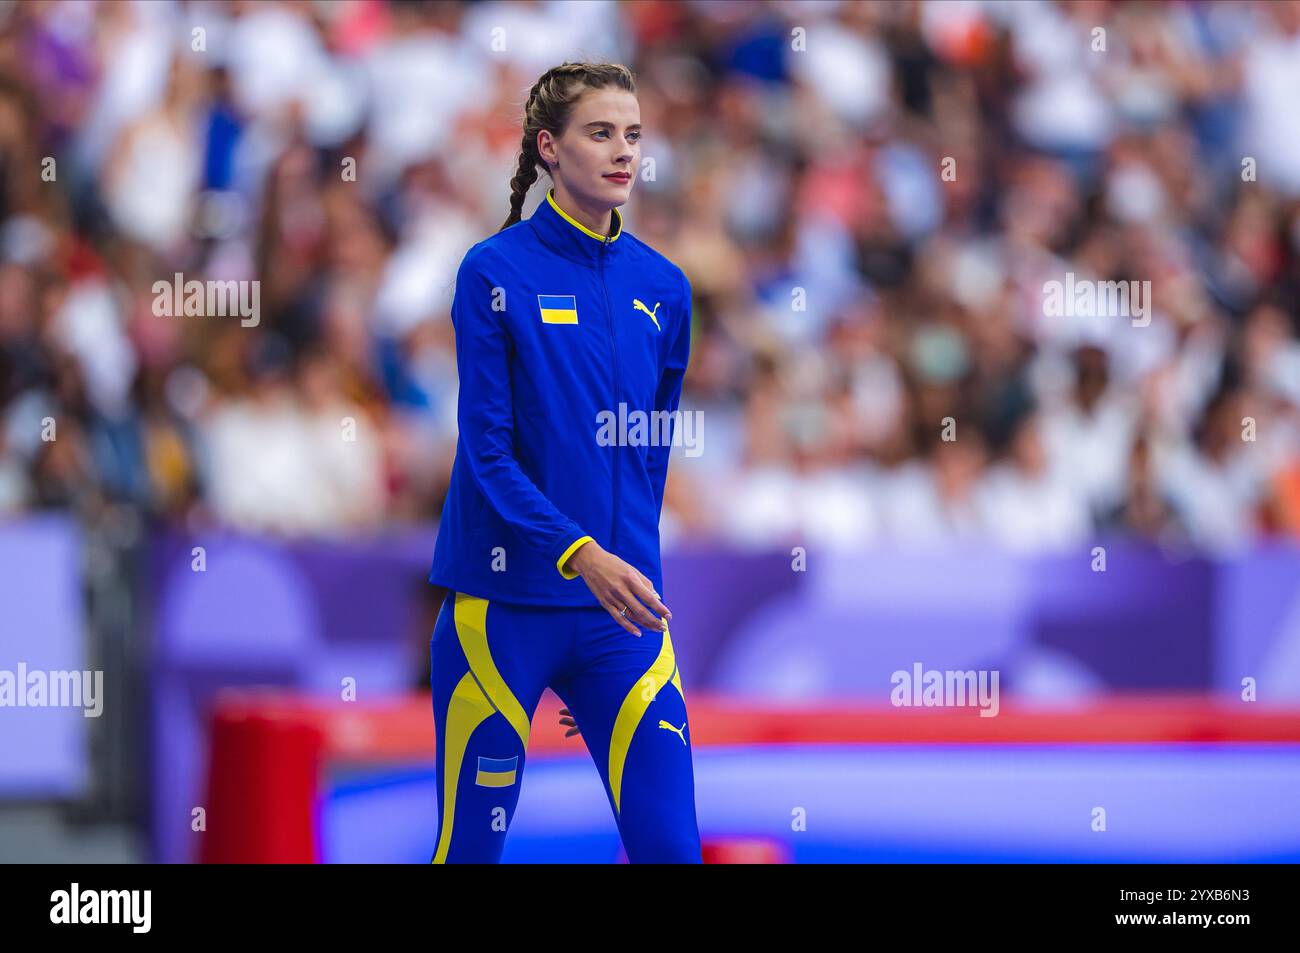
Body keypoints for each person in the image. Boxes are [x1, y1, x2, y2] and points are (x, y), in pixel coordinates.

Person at [426, 62, 700, 863]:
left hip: (622, 621)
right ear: (549, 147)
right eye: (601, 133)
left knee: (674, 852)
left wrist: (629, 573)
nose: (624, 152)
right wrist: (583, 557)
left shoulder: (666, 287)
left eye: (634, 135)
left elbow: (649, 458)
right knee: (469, 853)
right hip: (503, 610)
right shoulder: (493, 271)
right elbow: (485, 451)